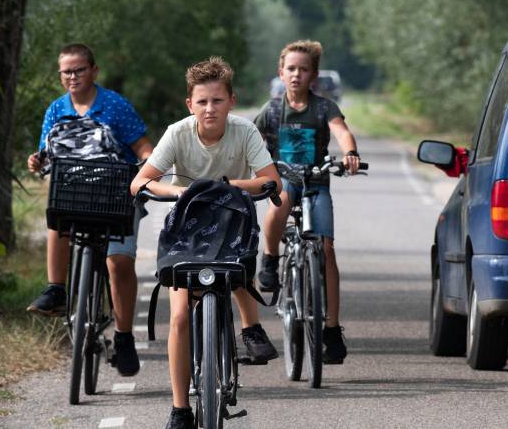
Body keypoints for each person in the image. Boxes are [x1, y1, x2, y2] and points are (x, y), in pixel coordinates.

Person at [129, 57, 281, 429]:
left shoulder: (244, 131)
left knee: (239, 265)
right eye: (202, 101)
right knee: (180, 315)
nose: (210, 108)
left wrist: (225, 187)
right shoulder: (177, 133)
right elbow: (140, 182)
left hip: (232, 219)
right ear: (190, 105)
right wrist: (178, 191)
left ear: (231, 101)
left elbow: (270, 180)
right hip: (188, 226)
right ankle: (180, 408)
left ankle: (251, 328)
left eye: (217, 100)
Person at [26, 43, 154, 378]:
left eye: (79, 70)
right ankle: (56, 288)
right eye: (66, 72)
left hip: (114, 194)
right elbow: (47, 154)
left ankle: (123, 337)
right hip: (75, 193)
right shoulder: (56, 109)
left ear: (94, 71)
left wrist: (146, 166)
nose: (73, 76)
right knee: (56, 215)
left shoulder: (115, 105)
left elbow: (143, 146)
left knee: (118, 261)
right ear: (60, 75)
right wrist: (36, 162)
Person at [253, 40, 360, 364]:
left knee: (326, 250)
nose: (296, 74)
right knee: (281, 200)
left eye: (303, 69)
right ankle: (270, 259)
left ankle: (332, 329)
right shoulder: (272, 110)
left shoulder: (324, 107)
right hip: (284, 178)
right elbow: (251, 140)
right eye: (291, 69)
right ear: (281, 73)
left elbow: (341, 131)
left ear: (313, 75)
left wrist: (350, 153)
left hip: (316, 183)